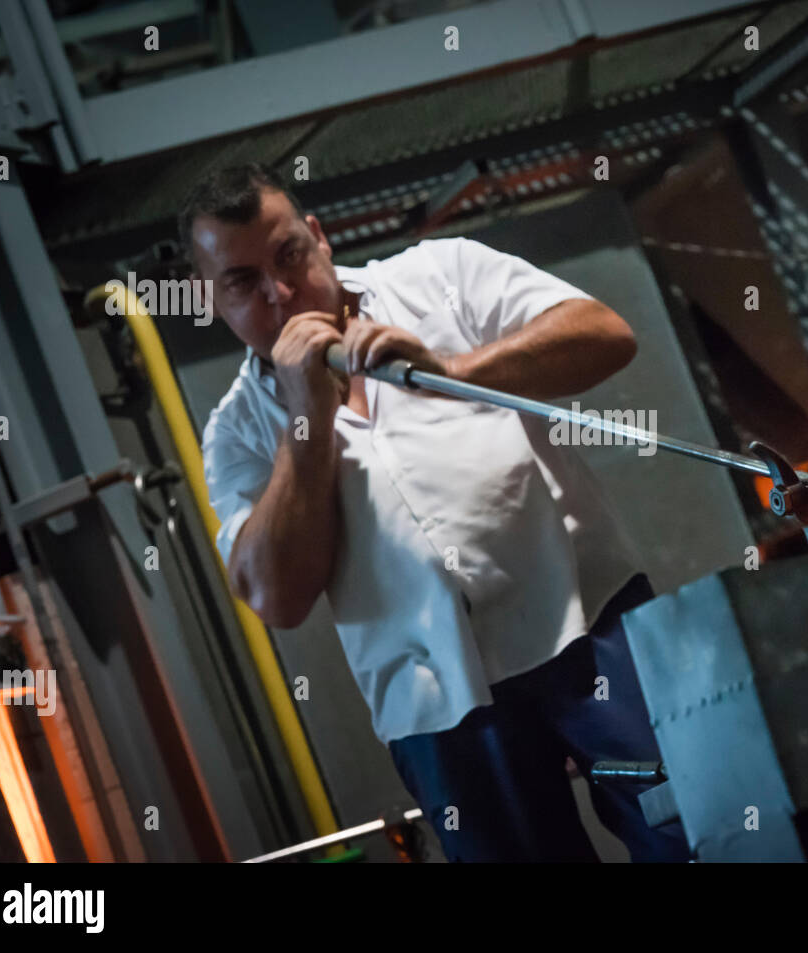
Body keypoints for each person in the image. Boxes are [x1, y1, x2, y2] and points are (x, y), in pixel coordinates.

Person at [184, 163, 689, 862]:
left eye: (289, 254)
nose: (279, 291)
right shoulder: (235, 432)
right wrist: (308, 420)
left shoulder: (439, 275)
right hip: (438, 713)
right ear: (212, 300)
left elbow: (604, 333)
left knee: (696, 833)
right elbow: (276, 594)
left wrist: (454, 372)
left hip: (588, 624)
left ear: (321, 239)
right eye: (242, 282)